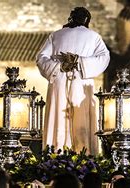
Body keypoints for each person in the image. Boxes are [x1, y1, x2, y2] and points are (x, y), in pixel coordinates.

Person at [36, 7, 110, 154]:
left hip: (61, 78)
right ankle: (84, 154)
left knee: (58, 115)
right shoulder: (93, 36)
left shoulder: (56, 35)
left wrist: (59, 66)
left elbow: (41, 58)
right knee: (80, 114)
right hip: (81, 79)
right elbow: (104, 57)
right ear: (87, 20)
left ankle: (55, 153)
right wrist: (82, 63)